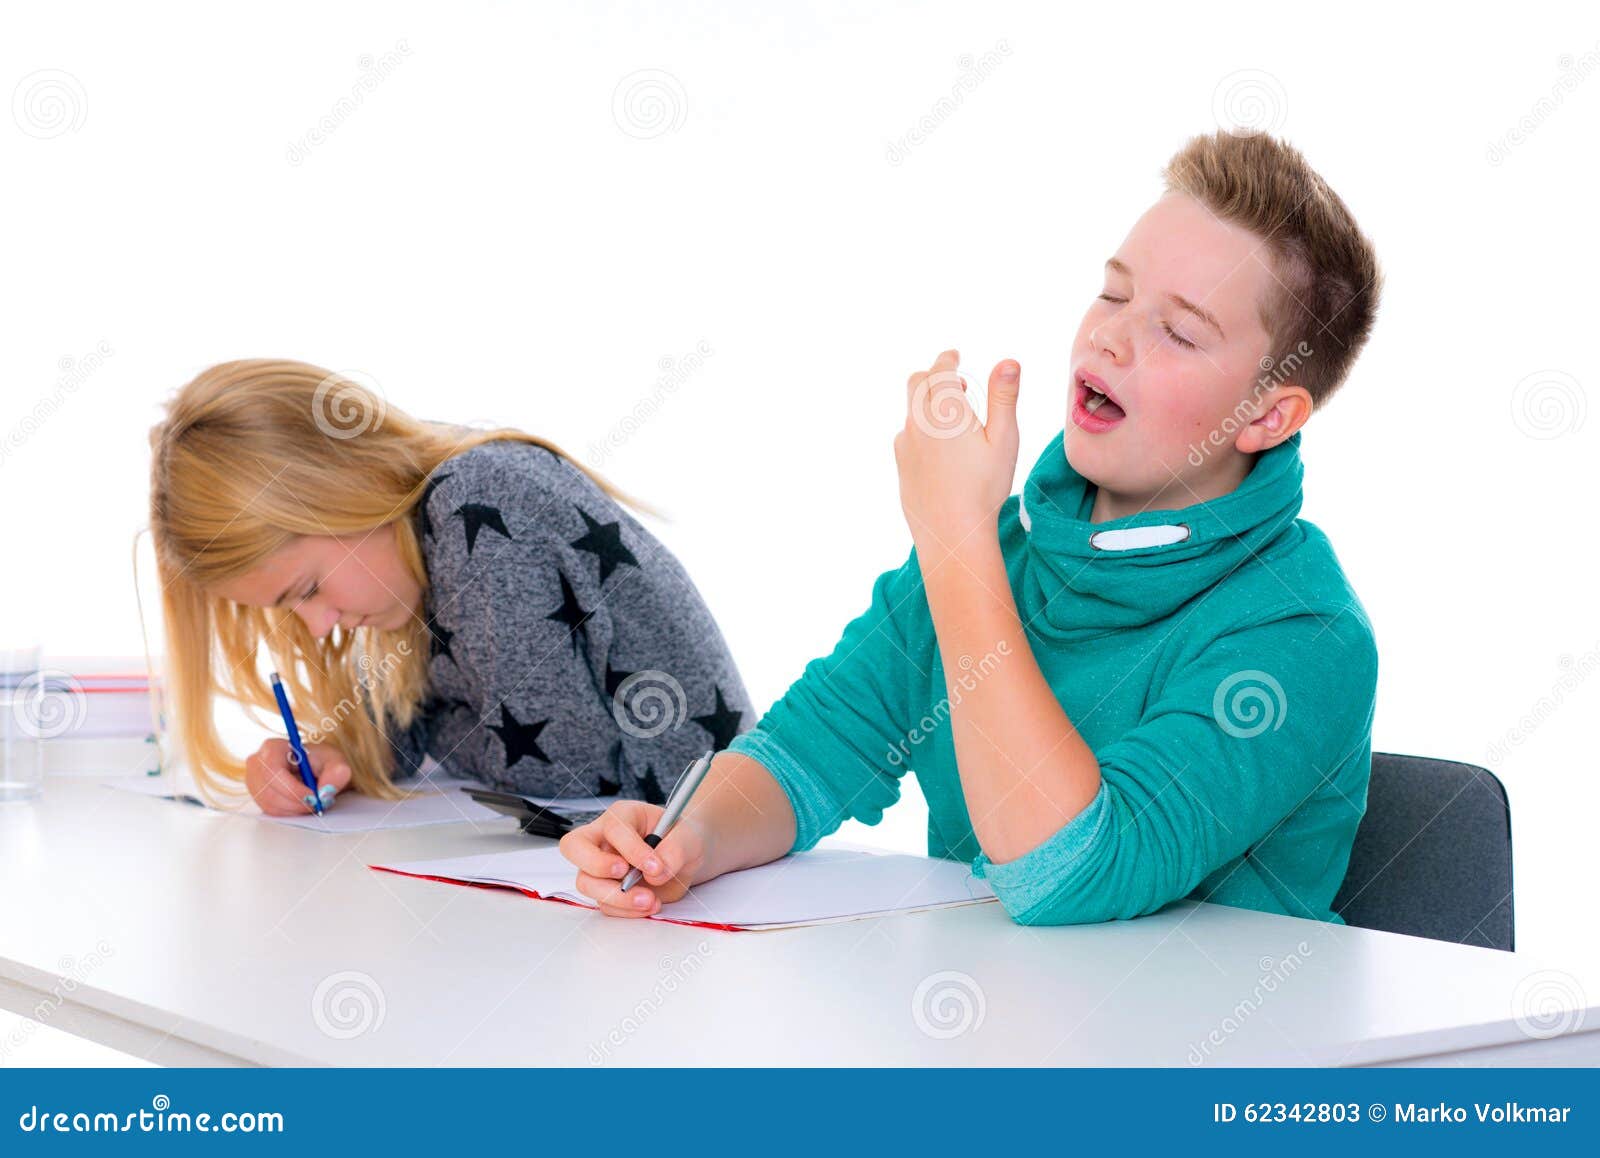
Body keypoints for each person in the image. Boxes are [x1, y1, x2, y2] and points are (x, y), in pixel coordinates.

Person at [560, 128, 1384, 926]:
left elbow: (1069, 871)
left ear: (1268, 417)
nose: (1110, 335)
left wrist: (956, 534)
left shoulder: (1305, 635)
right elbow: (804, 754)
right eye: (1115, 291)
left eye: (1176, 331)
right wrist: (685, 842)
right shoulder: (1000, 558)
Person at [148, 359, 750, 814]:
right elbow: (415, 727)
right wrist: (341, 756)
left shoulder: (478, 506)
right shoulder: (421, 546)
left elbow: (560, 777)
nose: (318, 625)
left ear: (351, 485)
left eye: (306, 590)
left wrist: (438, 734)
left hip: (696, 848)